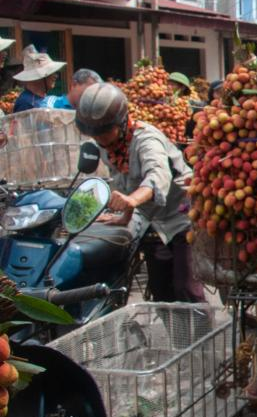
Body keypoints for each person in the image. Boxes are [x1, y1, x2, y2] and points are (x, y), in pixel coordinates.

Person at [74, 82, 204, 303]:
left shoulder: (146, 140)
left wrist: (132, 200)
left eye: (105, 132)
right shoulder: (109, 147)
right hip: (152, 222)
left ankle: (203, 334)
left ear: (122, 122)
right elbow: (123, 185)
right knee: (161, 290)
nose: (100, 139)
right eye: (96, 135)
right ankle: (178, 336)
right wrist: (124, 216)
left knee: (187, 288)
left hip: (182, 218)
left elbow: (157, 177)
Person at [12, 46, 68, 112]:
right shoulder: (27, 103)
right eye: (51, 73)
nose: (56, 76)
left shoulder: (40, 99)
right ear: (39, 77)